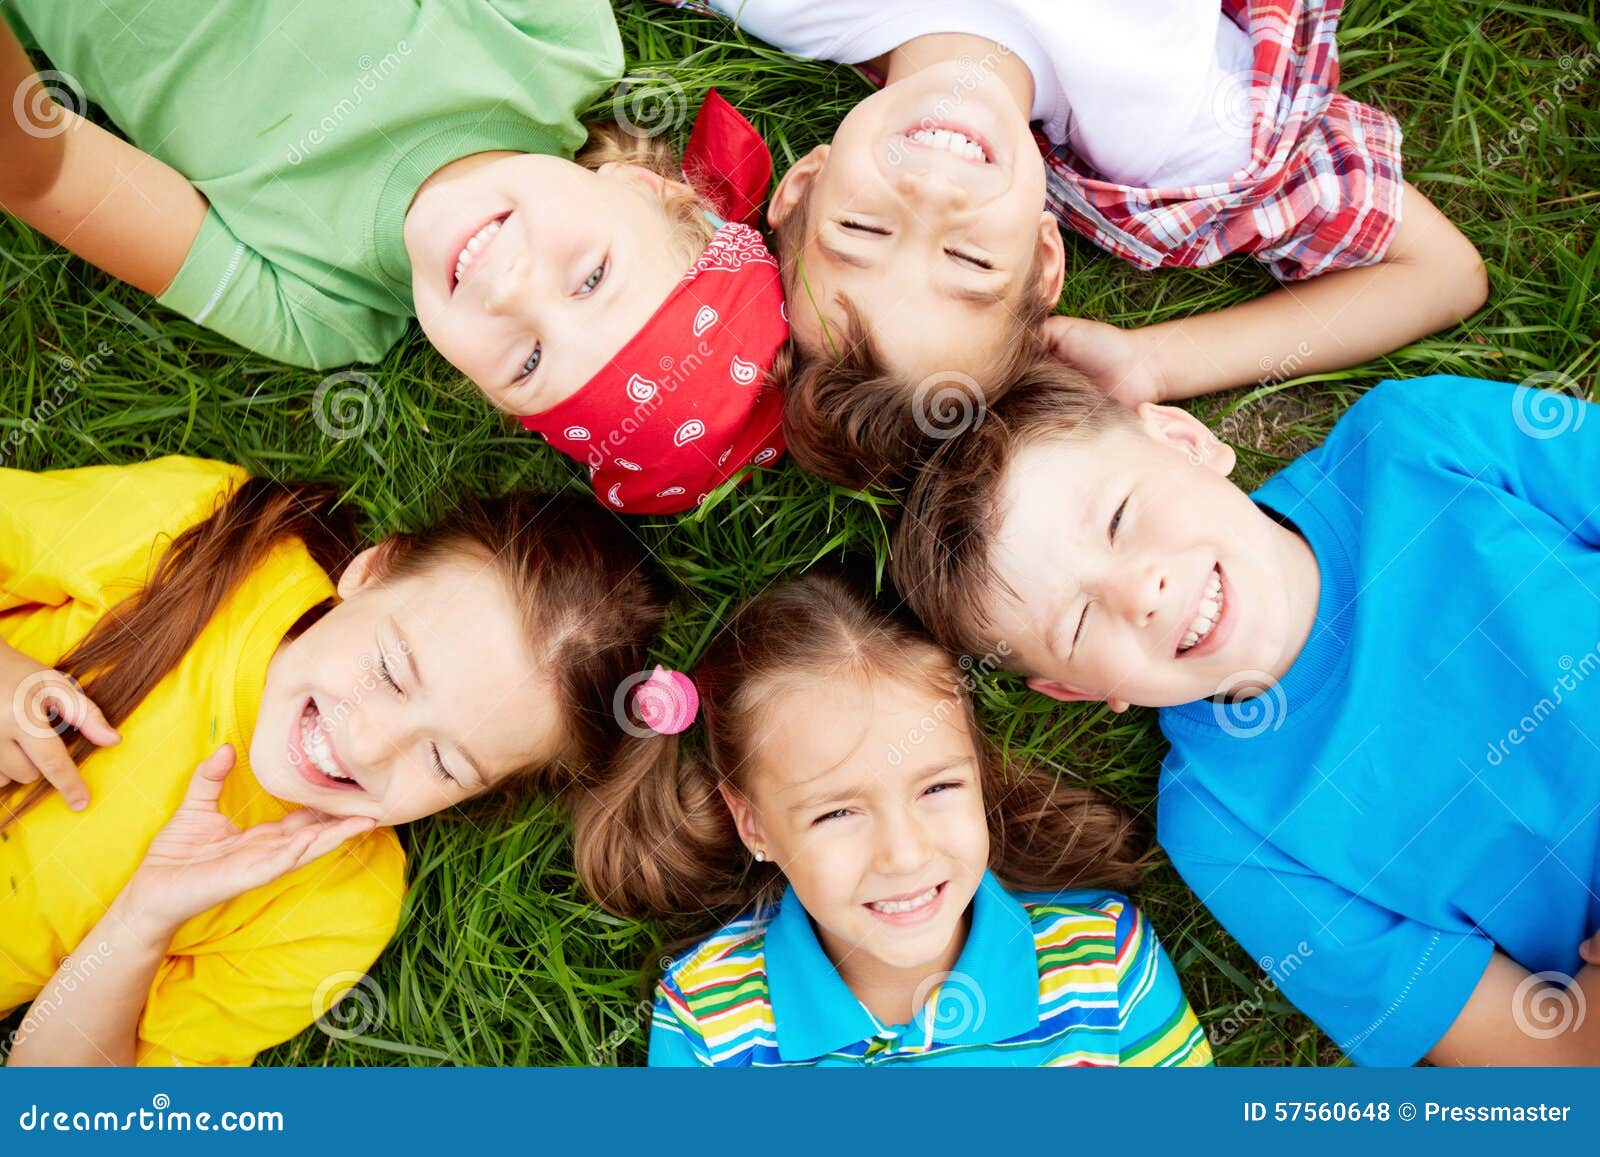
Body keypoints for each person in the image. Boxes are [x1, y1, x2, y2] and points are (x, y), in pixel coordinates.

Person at [890, 368, 1600, 1065]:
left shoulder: (1415, 435)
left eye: (1119, 518)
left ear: (1184, 439)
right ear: (1076, 688)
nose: (1142, 591)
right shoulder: (1221, 827)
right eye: (1078, 623)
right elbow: (1552, 1056)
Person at [1, 455, 668, 1065]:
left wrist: (144, 917)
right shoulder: (202, 530)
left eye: (441, 760)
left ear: (475, 798)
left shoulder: (337, 906)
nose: (368, 743)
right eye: (392, 670)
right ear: (370, 571)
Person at [665, 0, 1487, 489]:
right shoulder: (1173, 140)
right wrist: (1156, 363)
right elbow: (1439, 272)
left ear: (805, 184)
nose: (931, 199)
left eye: (864, 228)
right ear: (1045, 255)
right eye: (969, 260)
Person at [0, 3, 788, 513]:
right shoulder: (552, 42)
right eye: (592, 279)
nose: (513, 292)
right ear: (648, 189)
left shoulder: (316, 311)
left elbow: (52, 175)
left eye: (529, 361)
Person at [573, 573, 1211, 1067]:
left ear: (979, 773)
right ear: (753, 825)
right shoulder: (710, 1021)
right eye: (838, 812)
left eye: (937, 786)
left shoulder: (1102, 960)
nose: (903, 855)